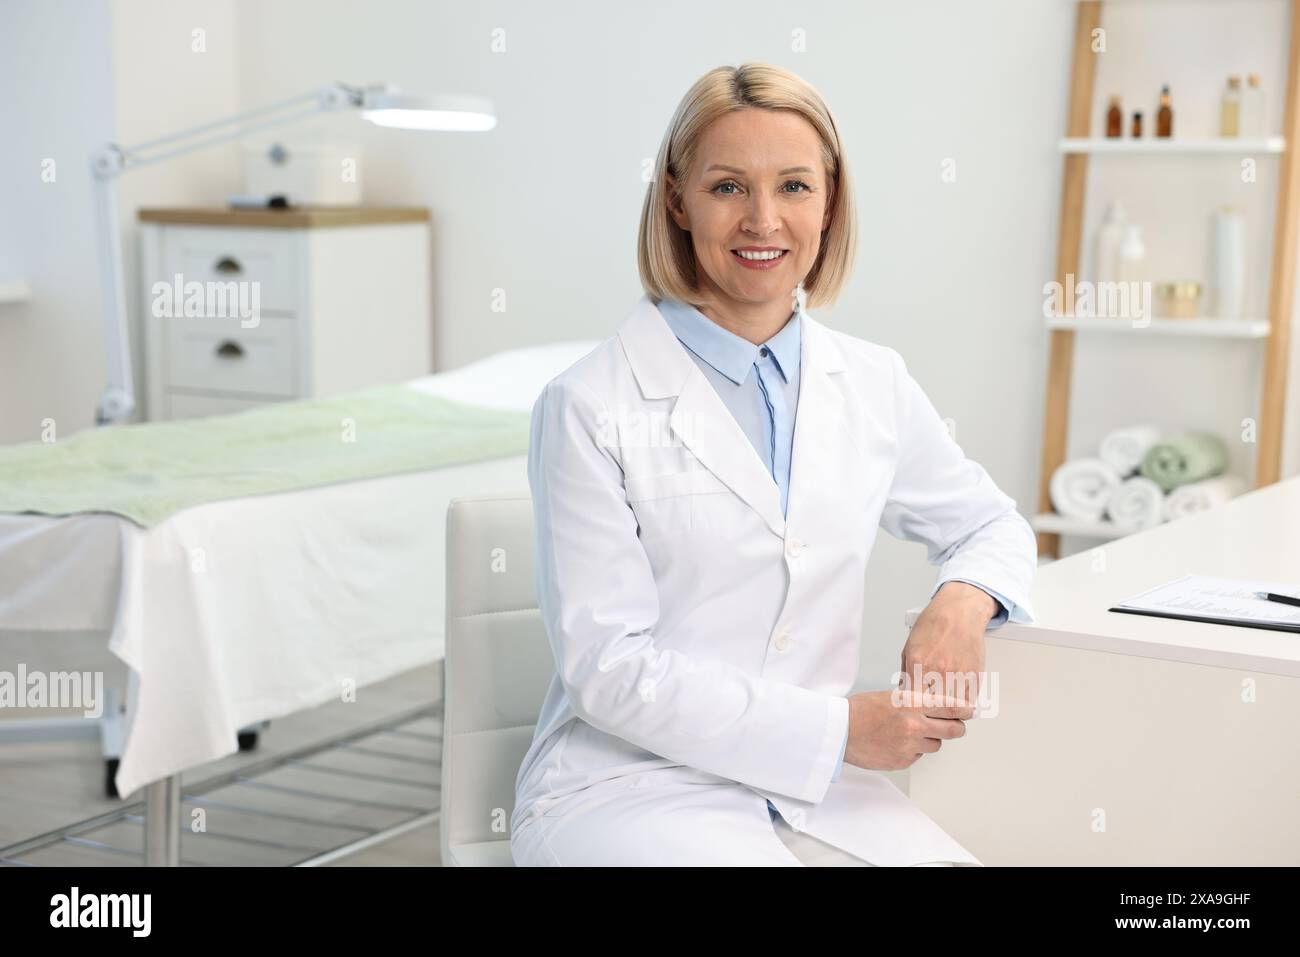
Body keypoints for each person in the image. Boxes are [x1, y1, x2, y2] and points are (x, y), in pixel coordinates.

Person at [509, 62, 1035, 866]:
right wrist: (843, 728)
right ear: (677, 200)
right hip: (628, 786)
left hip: (812, 788)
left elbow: (991, 523)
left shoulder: (870, 380)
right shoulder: (587, 403)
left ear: (829, 200)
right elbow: (607, 668)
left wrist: (960, 604)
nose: (764, 220)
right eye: (728, 187)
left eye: (793, 186)